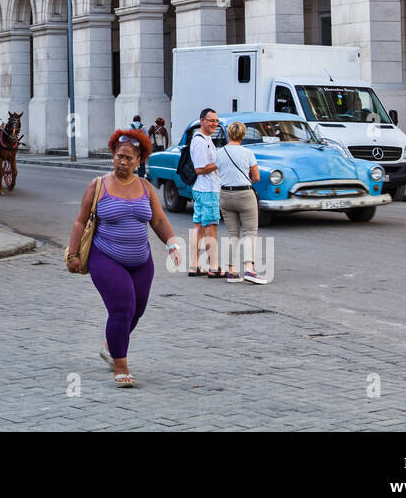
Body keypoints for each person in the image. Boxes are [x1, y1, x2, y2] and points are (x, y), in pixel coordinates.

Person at [67, 129, 181, 388]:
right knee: (122, 308)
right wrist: (73, 253)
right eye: (119, 156)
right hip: (105, 257)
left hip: (142, 261)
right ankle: (121, 365)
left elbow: (159, 220)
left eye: (129, 158)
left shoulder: (146, 187)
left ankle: (111, 344)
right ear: (112, 156)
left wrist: (173, 243)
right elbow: (79, 221)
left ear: (139, 160)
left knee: (137, 311)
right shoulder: (98, 186)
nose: (123, 161)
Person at [217, 121, 267, 284]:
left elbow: (217, 173)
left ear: (229, 134)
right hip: (245, 194)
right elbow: (256, 177)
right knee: (250, 232)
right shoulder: (248, 153)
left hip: (225, 194)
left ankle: (231, 271)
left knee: (232, 234)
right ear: (243, 135)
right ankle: (249, 269)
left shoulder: (219, 152)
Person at [188, 108, 224, 277]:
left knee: (199, 226)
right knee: (211, 226)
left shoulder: (204, 138)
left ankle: (194, 265)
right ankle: (214, 266)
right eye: (211, 121)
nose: (214, 124)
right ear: (202, 120)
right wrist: (220, 162)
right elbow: (200, 169)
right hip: (207, 189)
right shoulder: (201, 141)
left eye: (216, 121)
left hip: (202, 188)